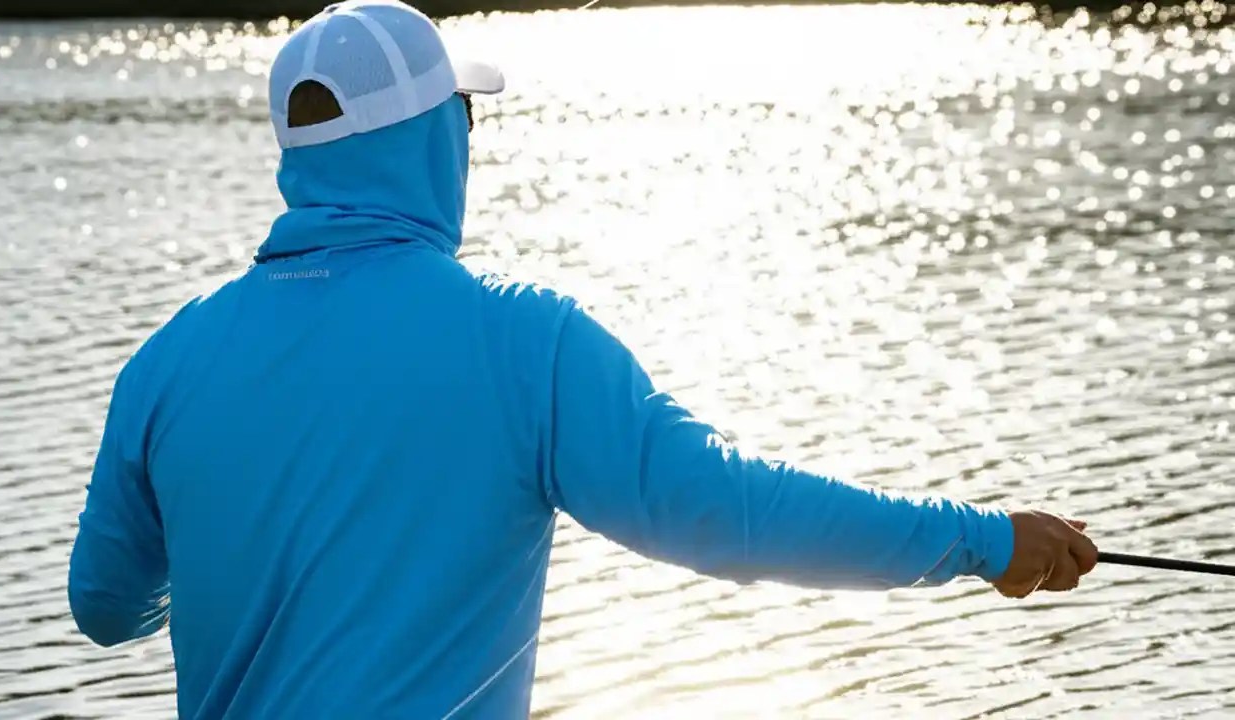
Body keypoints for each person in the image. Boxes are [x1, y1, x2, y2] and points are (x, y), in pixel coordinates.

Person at [66, 1, 1099, 717]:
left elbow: (104, 609)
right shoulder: (523, 342)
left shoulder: (168, 359)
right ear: (436, 138)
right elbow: (727, 517)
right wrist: (980, 540)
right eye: (460, 116)